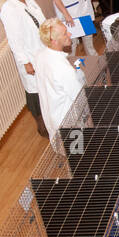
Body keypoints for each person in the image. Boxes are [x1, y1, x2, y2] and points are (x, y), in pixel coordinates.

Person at [0, 0, 48, 138]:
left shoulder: (28, 0)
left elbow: (40, 21)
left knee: (46, 88)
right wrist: (25, 62)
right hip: (29, 55)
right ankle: (42, 126)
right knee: (35, 92)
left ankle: (50, 120)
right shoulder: (9, 9)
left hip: (41, 50)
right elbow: (15, 40)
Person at [32, 18, 87, 148]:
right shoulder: (63, 69)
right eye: (65, 33)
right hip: (70, 123)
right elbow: (80, 97)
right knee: (78, 156)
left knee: (70, 154)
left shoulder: (40, 56)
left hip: (52, 118)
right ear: (54, 41)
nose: (70, 34)